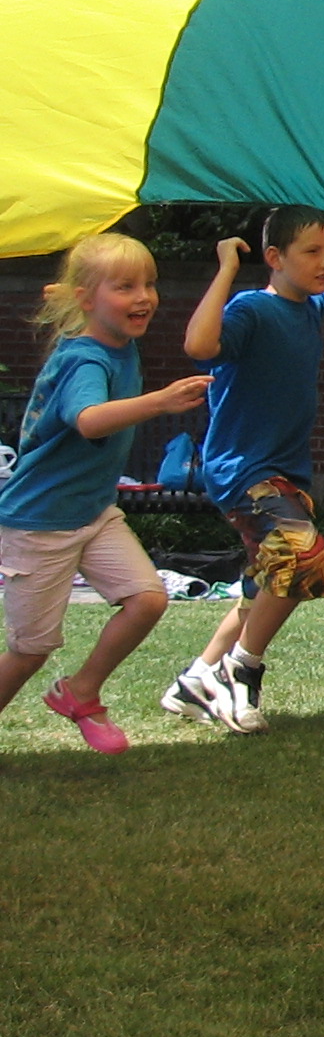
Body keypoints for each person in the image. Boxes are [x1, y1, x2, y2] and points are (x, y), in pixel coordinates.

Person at [0, 236, 209, 752]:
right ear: (88, 300)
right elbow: (89, 420)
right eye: (126, 287)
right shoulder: (86, 362)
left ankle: (80, 692)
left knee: (146, 600)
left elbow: (83, 304)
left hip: (94, 513)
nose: (145, 297)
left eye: (149, 284)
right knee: (31, 649)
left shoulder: (118, 345)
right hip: (40, 523)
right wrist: (159, 402)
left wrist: (82, 296)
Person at [162, 203, 324, 735]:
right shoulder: (251, 309)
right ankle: (240, 670)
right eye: (311, 252)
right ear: (274, 257)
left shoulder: (310, 310)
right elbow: (199, 346)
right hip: (242, 469)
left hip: (283, 470)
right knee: (301, 553)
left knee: (265, 584)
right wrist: (226, 266)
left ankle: (195, 679)